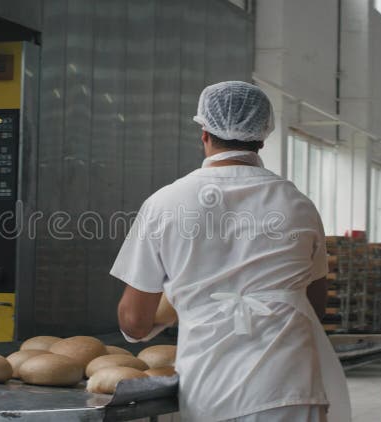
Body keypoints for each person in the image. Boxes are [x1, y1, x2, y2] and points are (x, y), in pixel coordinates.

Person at [110, 81, 350, 421]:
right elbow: (315, 305)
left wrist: (187, 297)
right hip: (290, 388)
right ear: (263, 138)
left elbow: (135, 322)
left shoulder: (166, 203)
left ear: (204, 133)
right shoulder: (299, 205)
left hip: (211, 391)